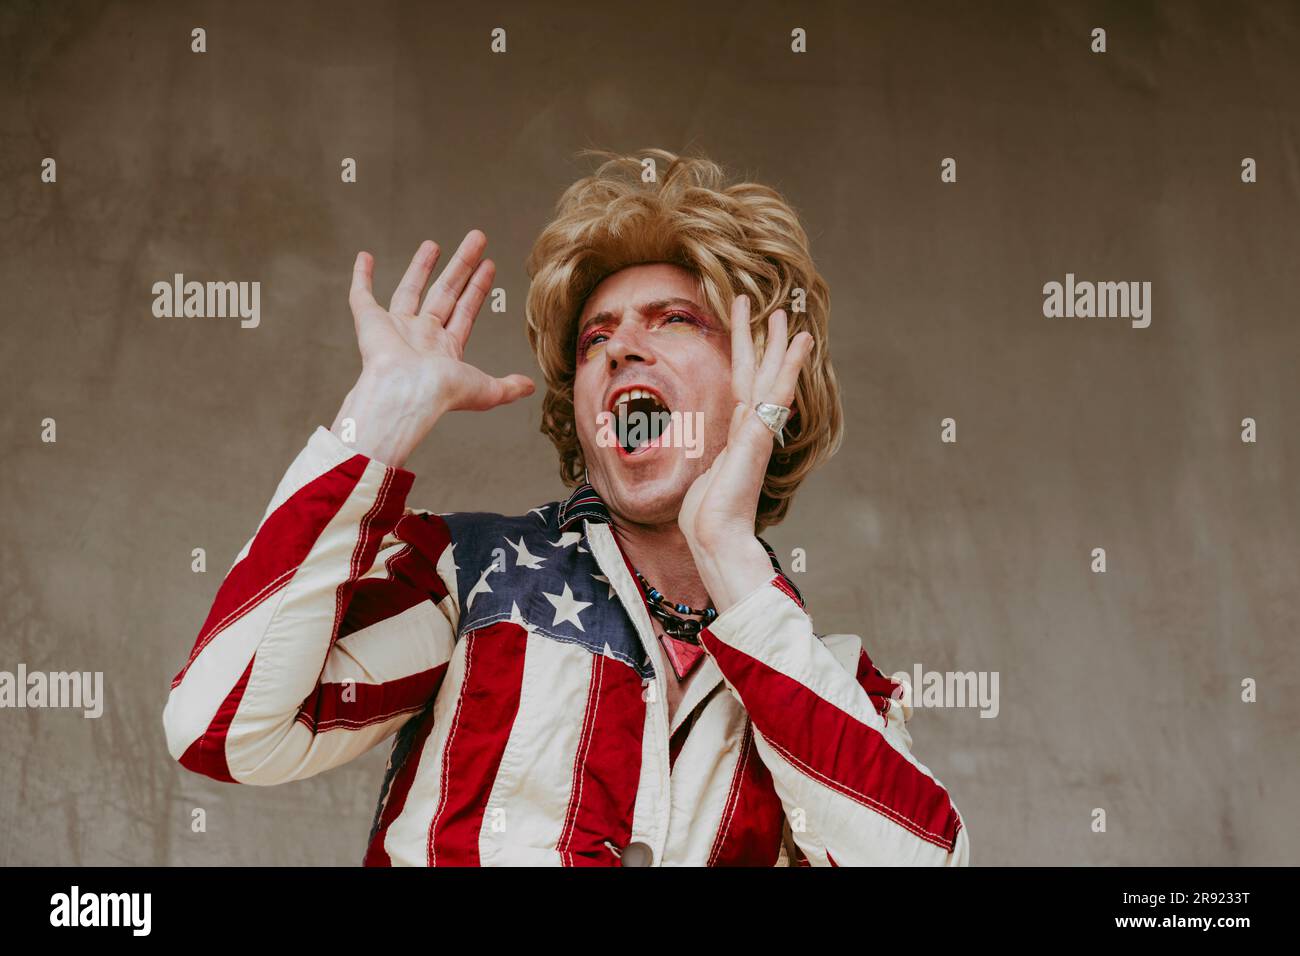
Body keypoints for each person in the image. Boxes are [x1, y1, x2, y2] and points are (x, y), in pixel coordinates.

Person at [162, 149, 970, 866]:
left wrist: (728, 552)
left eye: (675, 320)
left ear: (763, 380)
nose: (620, 347)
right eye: (595, 340)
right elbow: (222, 728)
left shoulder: (833, 682)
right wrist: (378, 418)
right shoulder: (470, 579)